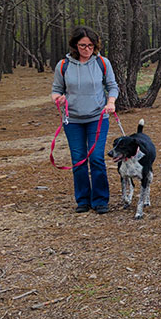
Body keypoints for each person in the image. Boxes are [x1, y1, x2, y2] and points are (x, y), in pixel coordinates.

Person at [51, 26, 119, 214]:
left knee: (96, 158)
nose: (86, 49)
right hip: (72, 120)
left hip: (98, 118)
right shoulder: (63, 65)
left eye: (90, 45)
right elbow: (56, 89)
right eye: (82, 45)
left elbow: (112, 86)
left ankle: (100, 200)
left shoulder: (102, 63)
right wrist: (59, 99)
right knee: (79, 159)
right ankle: (82, 200)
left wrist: (111, 102)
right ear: (75, 45)